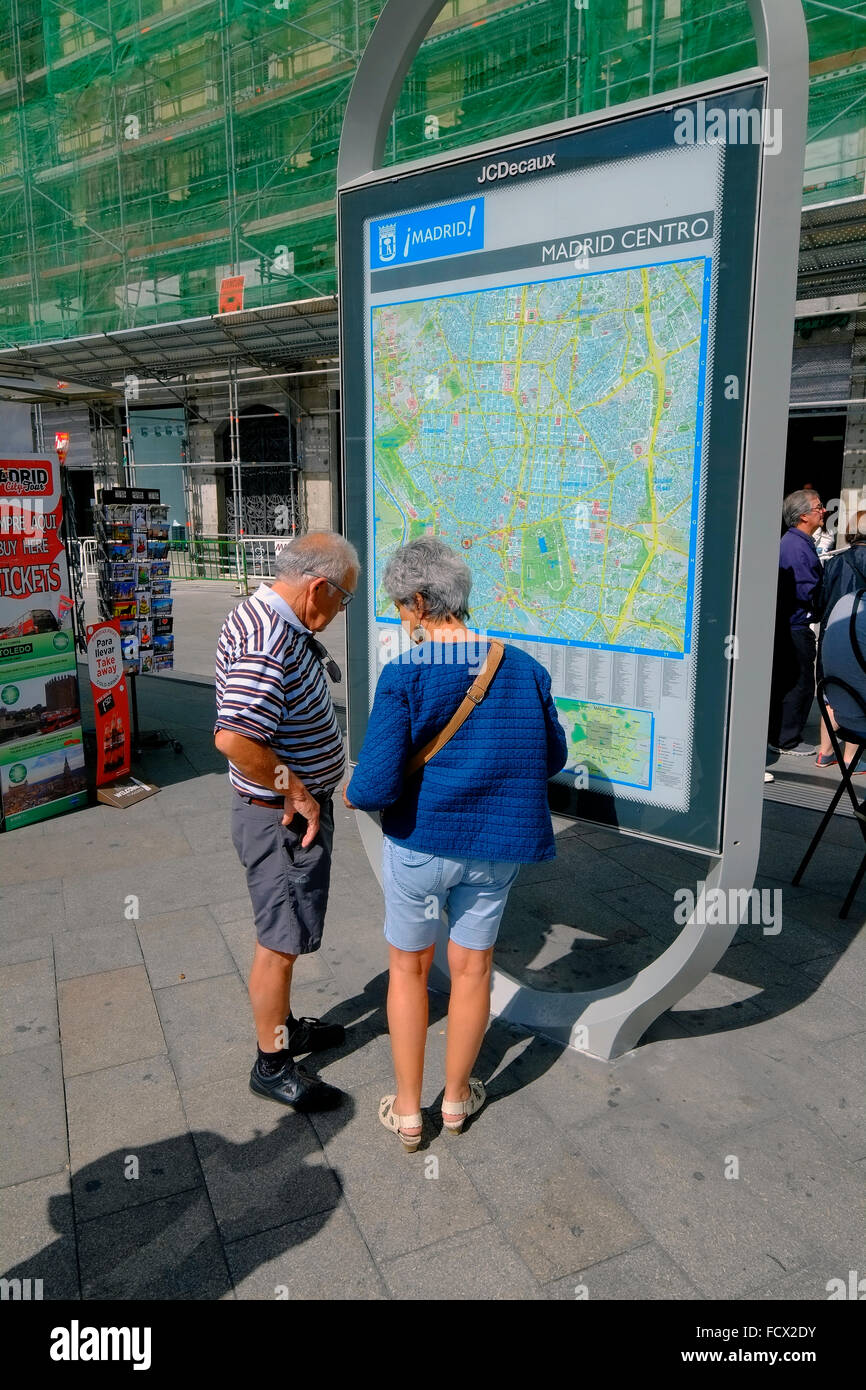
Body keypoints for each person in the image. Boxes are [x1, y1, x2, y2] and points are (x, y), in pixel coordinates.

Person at [343, 537, 568, 1150]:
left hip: (421, 844)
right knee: (473, 972)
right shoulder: (522, 666)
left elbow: (377, 779)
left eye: (399, 605)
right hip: (496, 848)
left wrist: (353, 794)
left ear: (420, 601)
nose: (398, 616)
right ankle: (458, 1101)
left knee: (409, 972)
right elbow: (553, 755)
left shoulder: (407, 674)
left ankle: (409, 1113)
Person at [214, 531, 359, 1111]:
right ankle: (272, 1063)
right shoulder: (269, 638)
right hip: (278, 820)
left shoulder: (272, 614)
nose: (340, 611)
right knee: (279, 941)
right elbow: (234, 738)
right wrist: (296, 792)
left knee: (290, 931)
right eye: (343, 600)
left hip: (285, 812)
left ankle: (287, 1027)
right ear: (317, 586)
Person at [767, 488, 824, 756]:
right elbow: (803, 589)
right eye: (818, 507)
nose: (824, 511)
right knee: (798, 680)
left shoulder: (796, 543)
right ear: (803, 516)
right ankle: (785, 739)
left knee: (792, 679)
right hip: (795, 625)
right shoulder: (795, 547)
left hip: (793, 623)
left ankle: (782, 734)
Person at [815, 506, 866, 771]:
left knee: (831, 692)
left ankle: (825, 753)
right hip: (858, 635)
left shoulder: (836, 561)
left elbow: (821, 599)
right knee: (858, 688)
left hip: (831, 633)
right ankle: (850, 759)